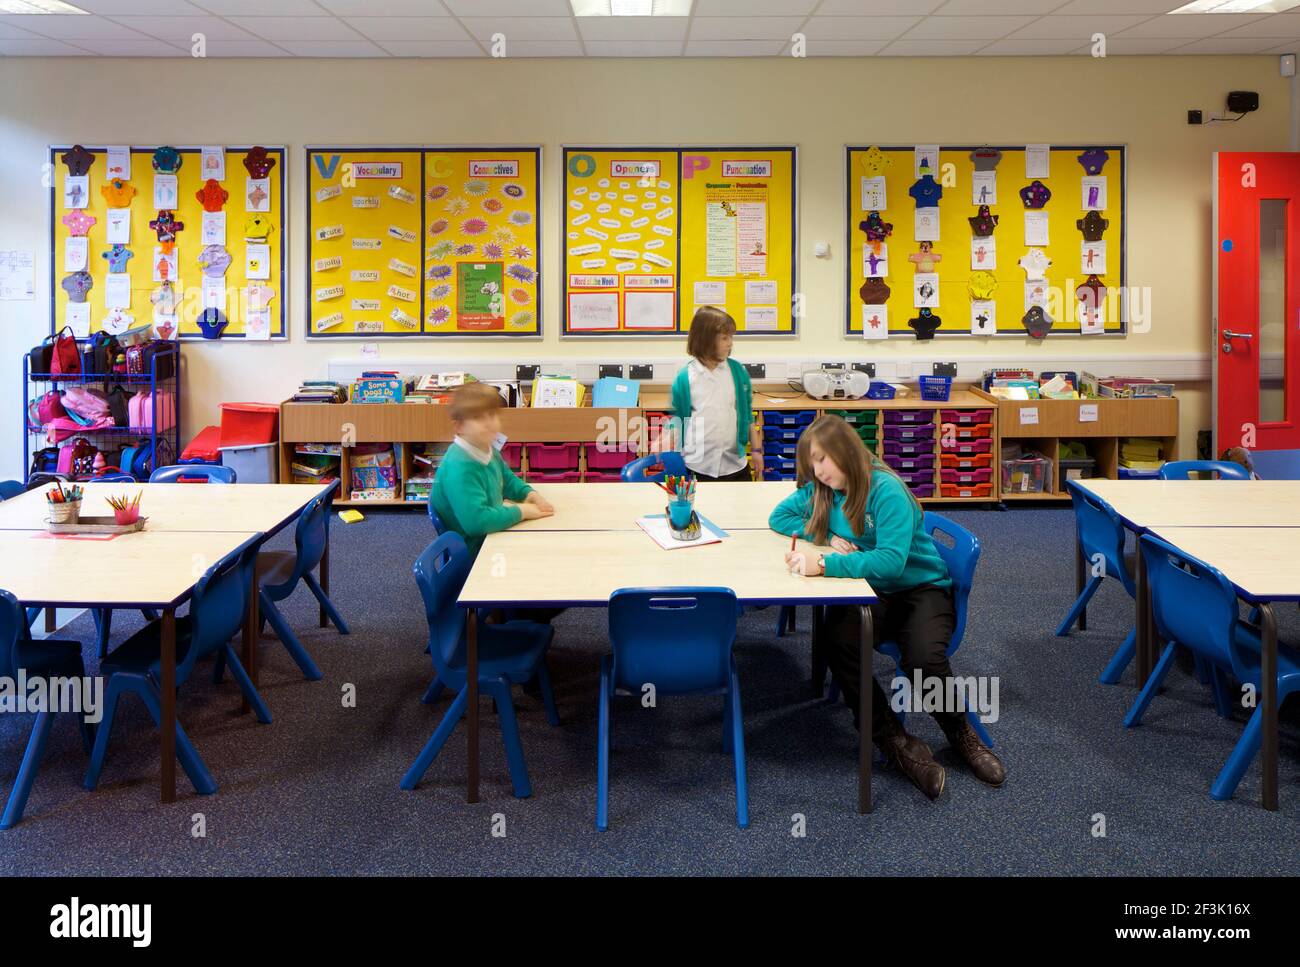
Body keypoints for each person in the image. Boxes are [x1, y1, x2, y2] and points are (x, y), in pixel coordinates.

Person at [769, 415, 1005, 800]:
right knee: (838, 643)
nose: (818, 470)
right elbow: (779, 517)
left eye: (822, 459)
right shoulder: (825, 490)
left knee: (923, 660)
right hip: (871, 589)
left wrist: (826, 563)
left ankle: (960, 735)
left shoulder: (885, 490)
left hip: (921, 589)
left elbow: (892, 562)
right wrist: (826, 534)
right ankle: (894, 741)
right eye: (812, 462)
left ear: (845, 452)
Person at [428, 382, 553, 557]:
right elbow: (477, 522)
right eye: (479, 418)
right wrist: (522, 511)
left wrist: (529, 494)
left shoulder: (484, 447)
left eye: (492, 415)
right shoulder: (459, 467)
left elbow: (507, 479)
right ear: (460, 427)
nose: (489, 423)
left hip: (493, 535)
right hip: (475, 553)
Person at [665, 305, 763, 481]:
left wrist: (756, 450)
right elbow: (678, 420)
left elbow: (747, 416)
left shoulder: (737, 372)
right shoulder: (685, 378)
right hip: (699, 466)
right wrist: (665, 445)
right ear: (706, 340)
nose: (730, 343)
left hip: (735, 464)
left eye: (731, 337)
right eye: (724, 338)